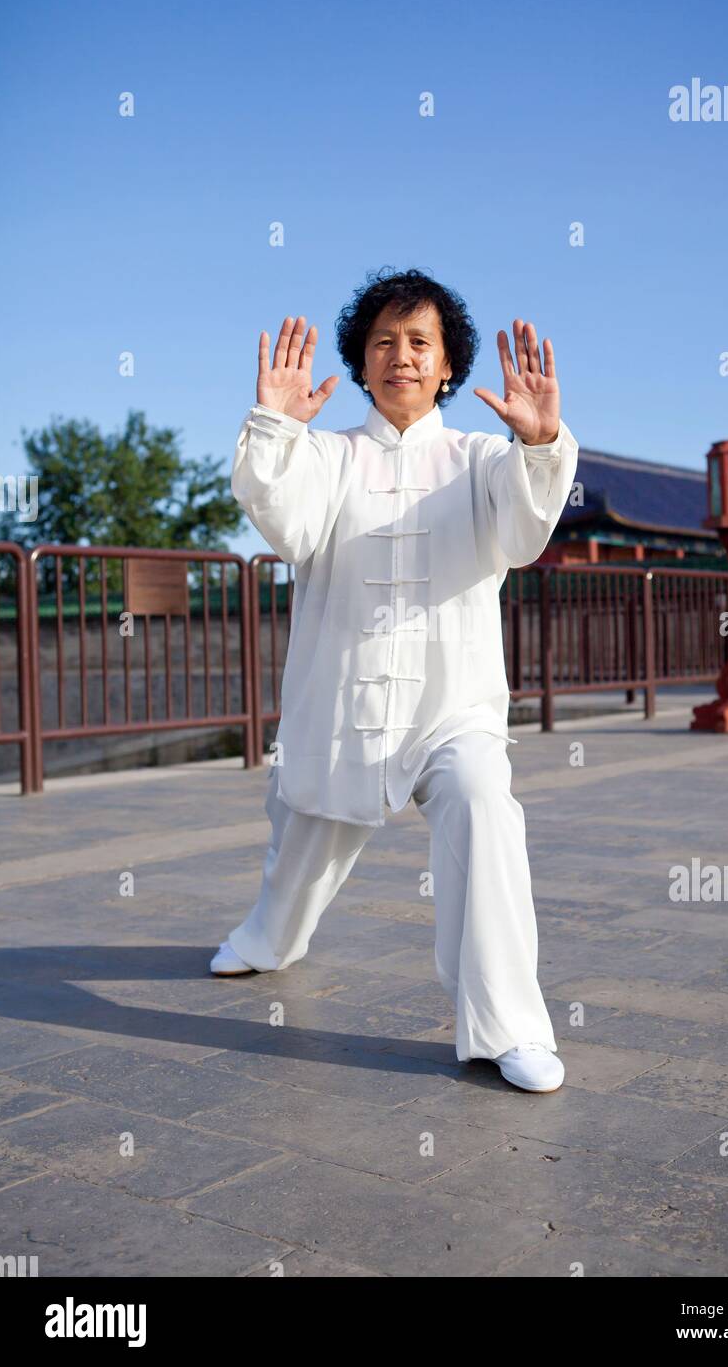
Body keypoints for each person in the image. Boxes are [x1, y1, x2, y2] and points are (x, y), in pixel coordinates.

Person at [211, 268, 579, 1094]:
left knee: (485, 805)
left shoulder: (483, 458)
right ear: (362, 359)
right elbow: (287, 520)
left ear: (448, 365)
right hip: (343, 701)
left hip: (453, 706)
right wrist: (274, 426)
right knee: (301, 843)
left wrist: (542, 446)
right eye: (383, 342)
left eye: (420, 343)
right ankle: (271, 937)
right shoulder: (329, 457)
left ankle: (507, 1028)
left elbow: (523, 535)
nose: (400, 357)